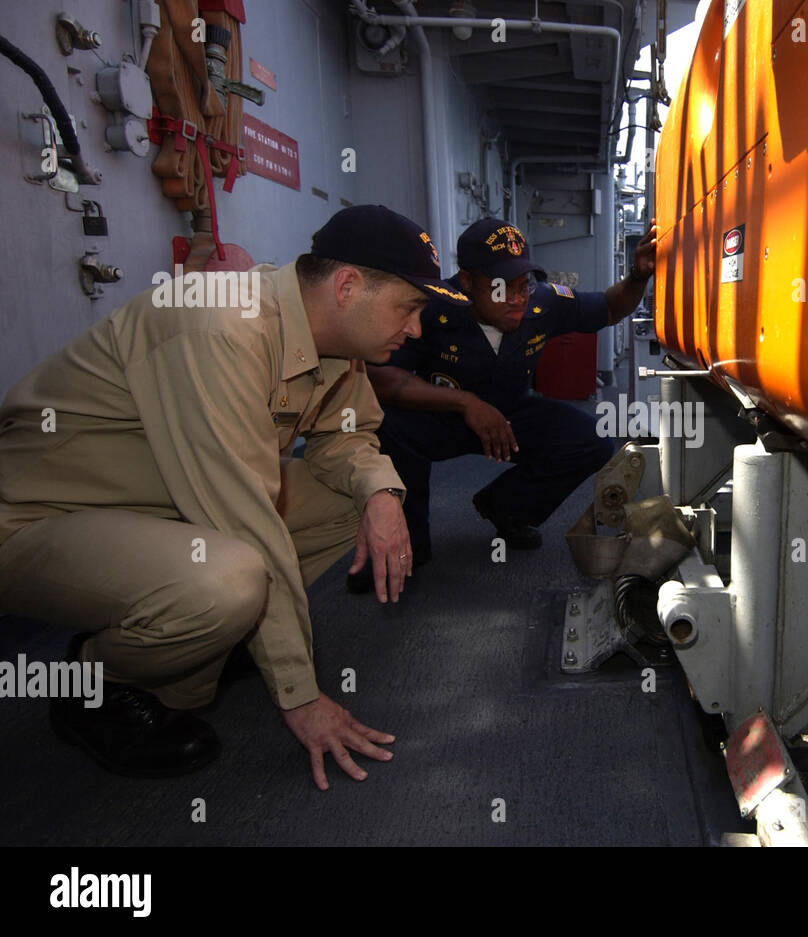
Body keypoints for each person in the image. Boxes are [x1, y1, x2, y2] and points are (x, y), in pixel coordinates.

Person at [0, 204, 440, 790]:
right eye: (409, 308)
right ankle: (96, 684)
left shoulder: (335, 342)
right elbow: (243, 521)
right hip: (40, 516)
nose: (415, 329)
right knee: (229, 581)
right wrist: (300, 694)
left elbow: (348, 433)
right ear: (348, 285)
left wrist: (382, 494)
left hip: (161, 502)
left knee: (354, 498)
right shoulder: (221, 324)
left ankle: (195, 652)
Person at [364, 217, 656, 570]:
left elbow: (610, 307)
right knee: (390, 428)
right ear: (468, 282)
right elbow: (380, 375)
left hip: (509, 416)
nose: (517, 299)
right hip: (443, 417)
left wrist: (638, 276)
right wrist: (465, 403)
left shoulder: (543, 303)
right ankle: (406, 543)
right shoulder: (432, 306)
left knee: (591, 438)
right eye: (502, 288)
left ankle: (506, 508)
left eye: (524, 286)